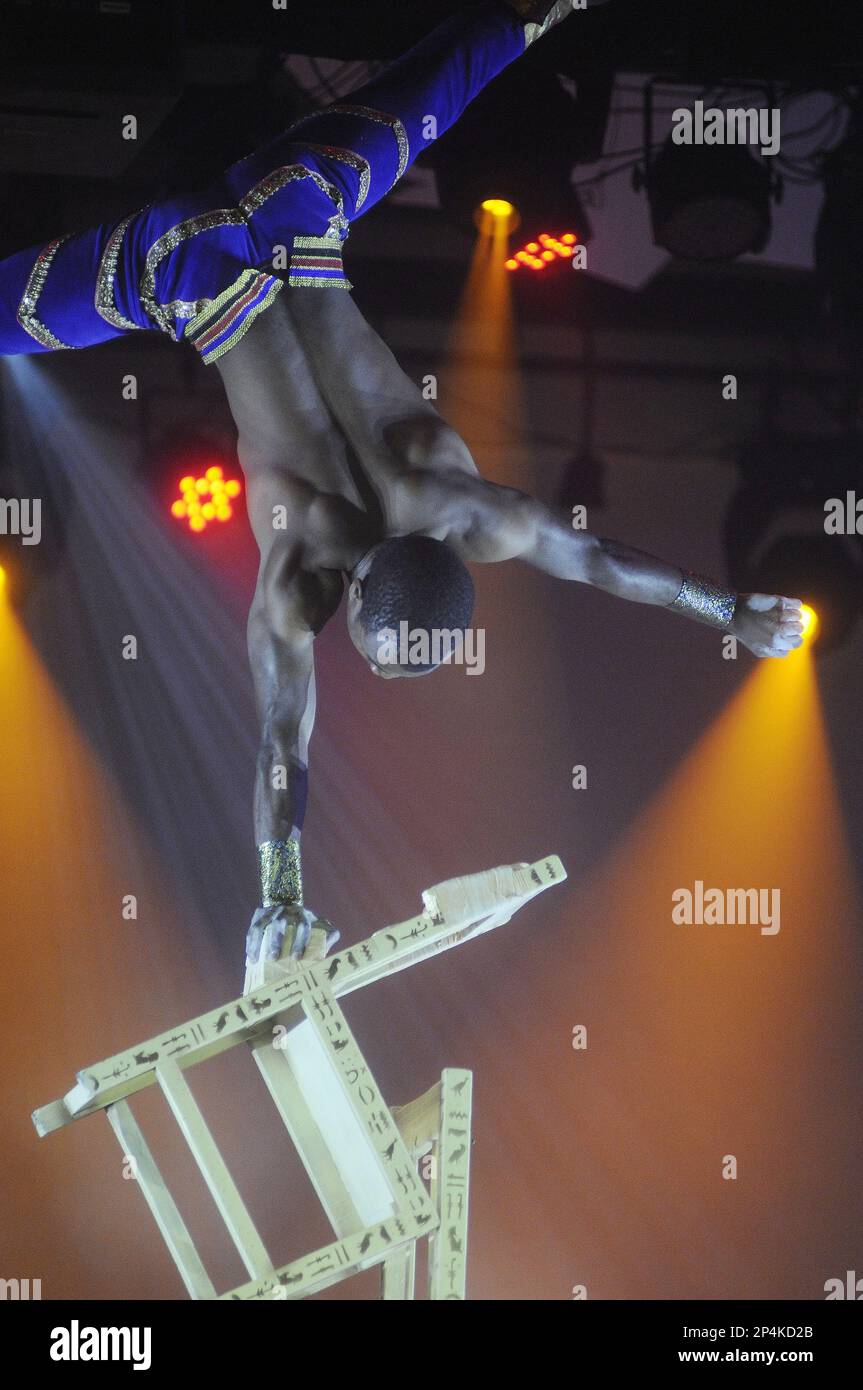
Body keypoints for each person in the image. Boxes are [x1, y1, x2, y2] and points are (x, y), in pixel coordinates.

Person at [0, 2, 805, 971]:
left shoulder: (469, 511)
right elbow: (280, 746)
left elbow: (595, 559)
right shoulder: (300, 574)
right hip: (186, 273)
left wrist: (727, 607)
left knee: (450, 76)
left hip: (300, 207)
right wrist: (277, 902)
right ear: (361, 590)